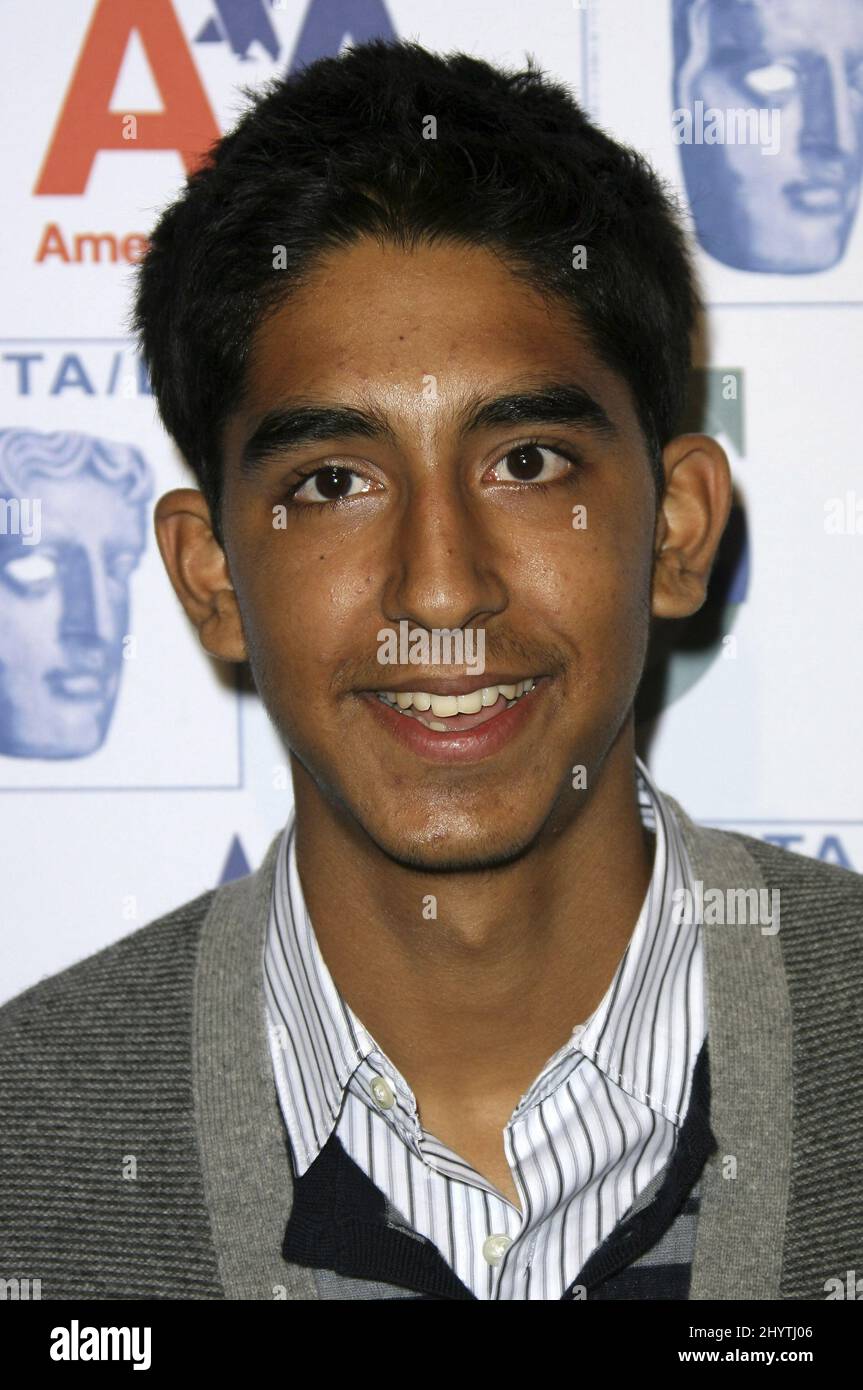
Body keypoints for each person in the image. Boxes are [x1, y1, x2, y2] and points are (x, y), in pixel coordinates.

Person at [1, 38, 860, 1303]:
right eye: (333, 483)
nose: (440, 587)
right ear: (212, 577)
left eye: (527, 463)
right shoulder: (32, 1159)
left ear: (674, 529)